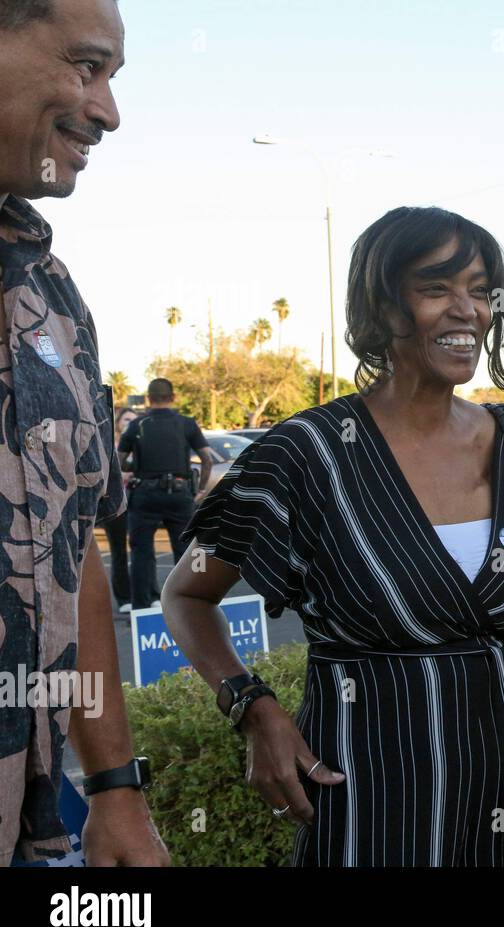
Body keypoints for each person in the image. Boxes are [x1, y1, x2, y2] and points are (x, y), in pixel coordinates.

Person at [163, 206, 504, 866]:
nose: (466, 309)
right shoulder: (309, 453)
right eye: (436, 287)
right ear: (382, 305)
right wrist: (253, 707)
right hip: (370, 789)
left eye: (479, 290)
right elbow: (185, 594)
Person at [0, 0, 167, 864]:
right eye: (85, 66)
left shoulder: (55, 295)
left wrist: (114, 789)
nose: (106, 110)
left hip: (39, 830)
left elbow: (74, 551)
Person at [117, 378, 211, 610]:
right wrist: (200, 490)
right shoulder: (186, 424)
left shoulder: (138, 424)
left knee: (141, 553)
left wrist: (136, 466)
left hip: (145, 494)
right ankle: (190, 605)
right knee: (187, 552)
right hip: (180, 494)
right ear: (173, 397)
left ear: (149, 399)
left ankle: (141, 608)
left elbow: (117, 462)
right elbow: (207, 460)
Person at [104, 405, 137, 611]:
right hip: (116, 503)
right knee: (119, 552)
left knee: (141, 550)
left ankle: (145, 594)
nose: (130, 424)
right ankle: (124, 598)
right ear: (118, 423)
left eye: (134, 420)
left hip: (139, 502)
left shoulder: (142, 446)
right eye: (126, 420)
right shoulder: (111, 444)